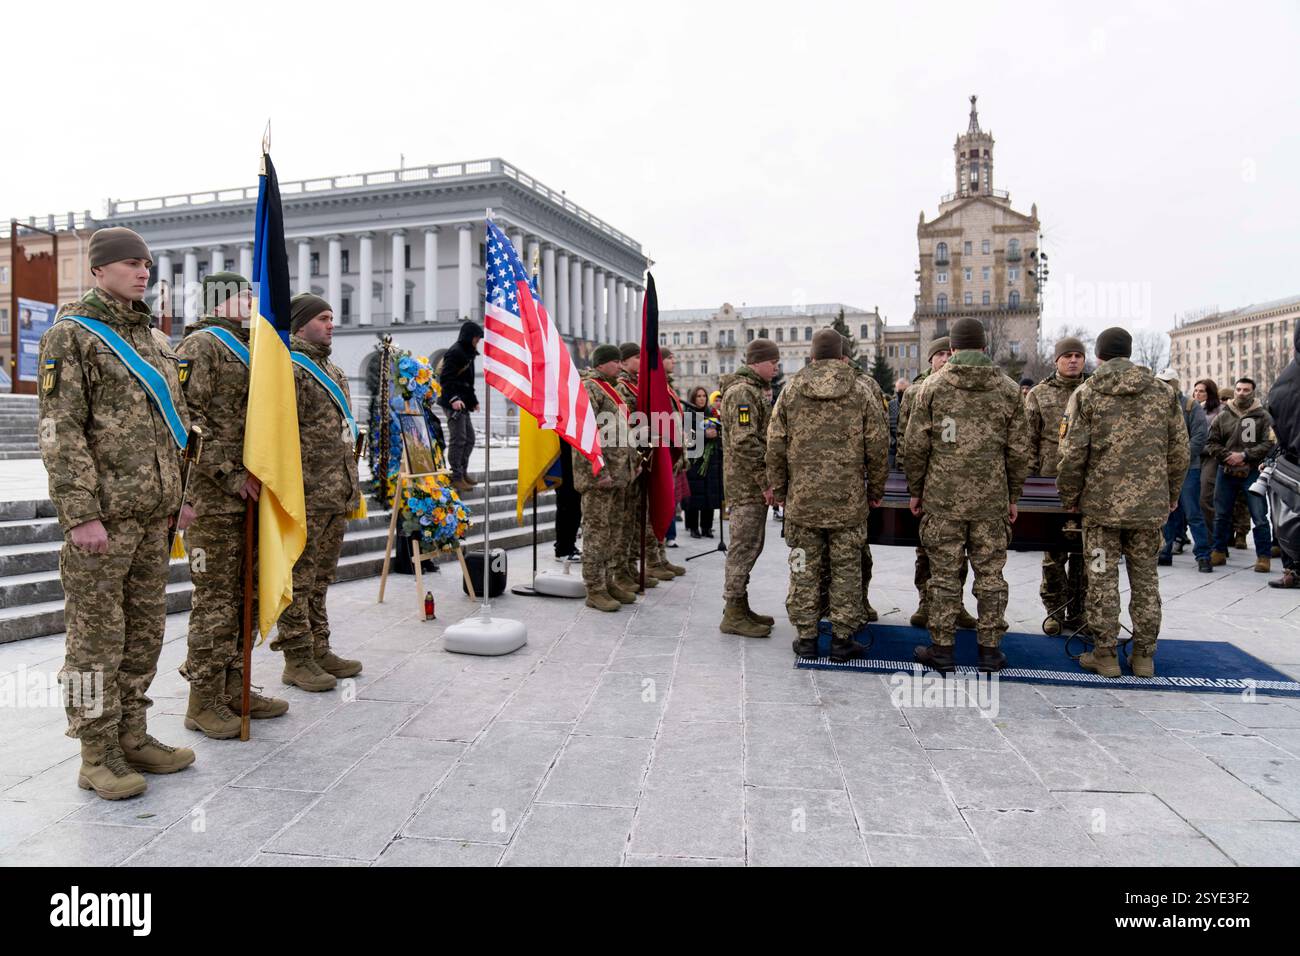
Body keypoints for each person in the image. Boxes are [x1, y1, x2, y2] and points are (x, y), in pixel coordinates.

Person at [38, 226, 197, 799]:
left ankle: (132, 733)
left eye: (147, 264)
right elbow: (61, 433)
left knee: (144, 633)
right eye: (130, 263)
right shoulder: (71, 336)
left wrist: (181, 496)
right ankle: (95, 751)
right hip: (102, 519)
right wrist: (80, 513)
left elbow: (173, 429)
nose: (142, 271)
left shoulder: (154, 340)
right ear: (99, 270)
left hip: (154, 517)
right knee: (94, 641)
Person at [176, 272, 289, 740]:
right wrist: (232, 472)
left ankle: (235, 687)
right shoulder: (201, 346)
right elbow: (187, 418)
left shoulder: (254, 349)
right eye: (244, 295)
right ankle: (202, 699)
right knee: (217, 601)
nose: (251, 301)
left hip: (252, 499)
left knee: (248, 595)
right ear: (219, 300)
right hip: (214, 500)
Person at [1057, 328, 1189, 679]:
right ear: (1129, 353)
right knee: (1146, 581)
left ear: (1098, 356)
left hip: (1101, 510)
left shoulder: (1088, 393)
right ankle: (1144, 656)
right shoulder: (1163, 393)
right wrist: (1172, 493)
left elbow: (1072, 454)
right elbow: (1179, 451)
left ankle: (1105, 655)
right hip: (1148, 509)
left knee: (1101, 580)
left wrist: (1070, 497)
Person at [904, 318, 1030, 673]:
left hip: (943, 498)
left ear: (954, 348)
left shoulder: (931, 387)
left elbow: (916, 446)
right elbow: (1020, 450)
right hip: (991, 499)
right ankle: (990, 651)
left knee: (943, 575)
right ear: (985, 347)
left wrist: (916, 490)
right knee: (991, 575)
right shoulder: (1007, 389)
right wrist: (1013, 495)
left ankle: (942, 649)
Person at [770, 329, 888, 662]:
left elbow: (775, 445)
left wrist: (780, 490)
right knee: (847, 569)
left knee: (802, 566)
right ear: (841, 357)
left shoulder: (791, 391)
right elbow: (878, 447)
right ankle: (841, 640)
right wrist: (876, 490)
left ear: (811, 357)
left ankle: (806, 638)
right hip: (847, 502)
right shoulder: (862, 390)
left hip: (802, 502)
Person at [273, 294, 364, 691]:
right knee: (299, 578)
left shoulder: (334, 371)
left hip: (335, 492)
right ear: (300, 324)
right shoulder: (290, 370)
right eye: (323, 318)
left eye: (332, 317)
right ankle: (296, 657)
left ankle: (319, 646)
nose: (331, 324)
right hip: (305, 495)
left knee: (321, 578)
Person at [898, 336, 977, 631]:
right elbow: (907, 441)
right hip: (931, 485)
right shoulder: (917, 391)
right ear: (930, 359)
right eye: (939, 354)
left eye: (948, 353)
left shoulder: (967, 387)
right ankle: (925, 602)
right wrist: (912, 483)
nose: (945, 358)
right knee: (925, 549)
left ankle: (955, 605)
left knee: (960, 552)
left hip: (964, 488)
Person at [1024, 337, 1091, 631]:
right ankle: (1054, 610)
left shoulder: (1095, 392)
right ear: (1057, 361)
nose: (1073, 360)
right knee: (1054, 552)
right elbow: (1028, 441)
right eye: (1068, 356)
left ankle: (1078, 611)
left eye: (1078, 355)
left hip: (1088, 482)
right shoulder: (1039, 394)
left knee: (1084, 554)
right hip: (1050, 483)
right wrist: (1027, 485)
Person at [718, 338, 781, 637]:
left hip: (748, 483)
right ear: (757, 362)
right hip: (746, 485)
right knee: (744, 547)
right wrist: (765, 480)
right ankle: (732, 612)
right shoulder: (743, 393)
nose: (777, 368)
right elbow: (744, 440)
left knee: (751, 545)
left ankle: (740, 606)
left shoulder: (752, 390)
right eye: (773, 362)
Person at [574, 345, 639, 610]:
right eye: (615, 362)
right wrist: (597, 470)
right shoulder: (591, 387)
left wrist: (630, 464)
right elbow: (585, 431)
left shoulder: (608, 388)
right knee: (597, 532)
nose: (619, 366)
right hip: (598, 476)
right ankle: (594, 588)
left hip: (617, 474)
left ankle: (608, 580)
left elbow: (620, 431)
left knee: (612, 530)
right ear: (601, 364)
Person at [616, 342, 684, 583]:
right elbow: (630, 422)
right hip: (637, 459)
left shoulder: (643, 384)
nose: (640, 362)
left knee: (652, 509)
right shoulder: (622, 388)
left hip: (652, 455)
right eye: (635, 358)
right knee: (634, 519)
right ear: (623, 362)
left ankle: (655, 558)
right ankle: (638, 565)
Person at [1206, 377, 1275, 571]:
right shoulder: (1223, 415)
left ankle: (1263, 556)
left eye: (1246, 390)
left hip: (1252, 472)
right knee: (1221, 514)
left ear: (1253, 392)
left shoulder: (1262, 416)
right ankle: (1218, 552)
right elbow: (1211, 442)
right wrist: (1228, 456)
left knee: (1259, 515)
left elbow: (1269, 443)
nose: (1241, 393)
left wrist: (1245, 455)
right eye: (1238, 389)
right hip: (1226, 470)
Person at [1155, 369, 1212, 572]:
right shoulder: (1154, 406)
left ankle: (1203, 555)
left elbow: (1199, 436)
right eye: (1160, 381)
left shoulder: (1190, 405)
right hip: (1162, 468)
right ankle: (1164, 550)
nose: (1163, 385)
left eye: (1167, 381)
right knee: (1165, 513)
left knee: (1193, 512)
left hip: (1189, 468)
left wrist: (1181, 457)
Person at [1266, 322, 1300, 588]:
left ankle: (1293, 570)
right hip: (1291, 459)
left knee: (1288, 516)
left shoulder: (1284, 380)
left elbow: (1275, 419)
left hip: (1291, 459)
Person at [435, 319, 483, 493]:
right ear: (469, 337)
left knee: (469, 439)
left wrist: (474, 400)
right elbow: (446, 379)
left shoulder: (468, 353)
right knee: (459, 438)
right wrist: (454, 398)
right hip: (452, 402)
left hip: (463, 403)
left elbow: (467, 383)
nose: (478, 342)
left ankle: (462, 471)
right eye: (476, 338)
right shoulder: (455, 352)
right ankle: (456, 476)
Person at [683, 385, 723, 538]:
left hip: (711, 459)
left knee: (709, 493)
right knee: (695, 494)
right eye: (698, 396)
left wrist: (717, 433)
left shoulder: (711, 413)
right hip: (695, 459)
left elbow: (718, 432)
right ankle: (693, 527)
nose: (702, 399)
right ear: (693, 398)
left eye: (704, 396)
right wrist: (705, 435)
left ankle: (707, 527)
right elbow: (688, 439)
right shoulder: (688, 415)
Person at [1194, 378, 1223, 539]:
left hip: (1211, 457)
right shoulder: (1191, 408)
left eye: (1202, 391)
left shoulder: (1219, 411)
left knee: (1205, 499)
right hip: (1194, 457)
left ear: (1210, 393)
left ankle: (1214, 541)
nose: (1197, 394)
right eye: (1196, 390)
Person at [552, 441, 583, 563]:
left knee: (574, 508)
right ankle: (563, 550)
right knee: (567, 508)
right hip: (565, 470)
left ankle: (569, 545)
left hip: (573, 469)